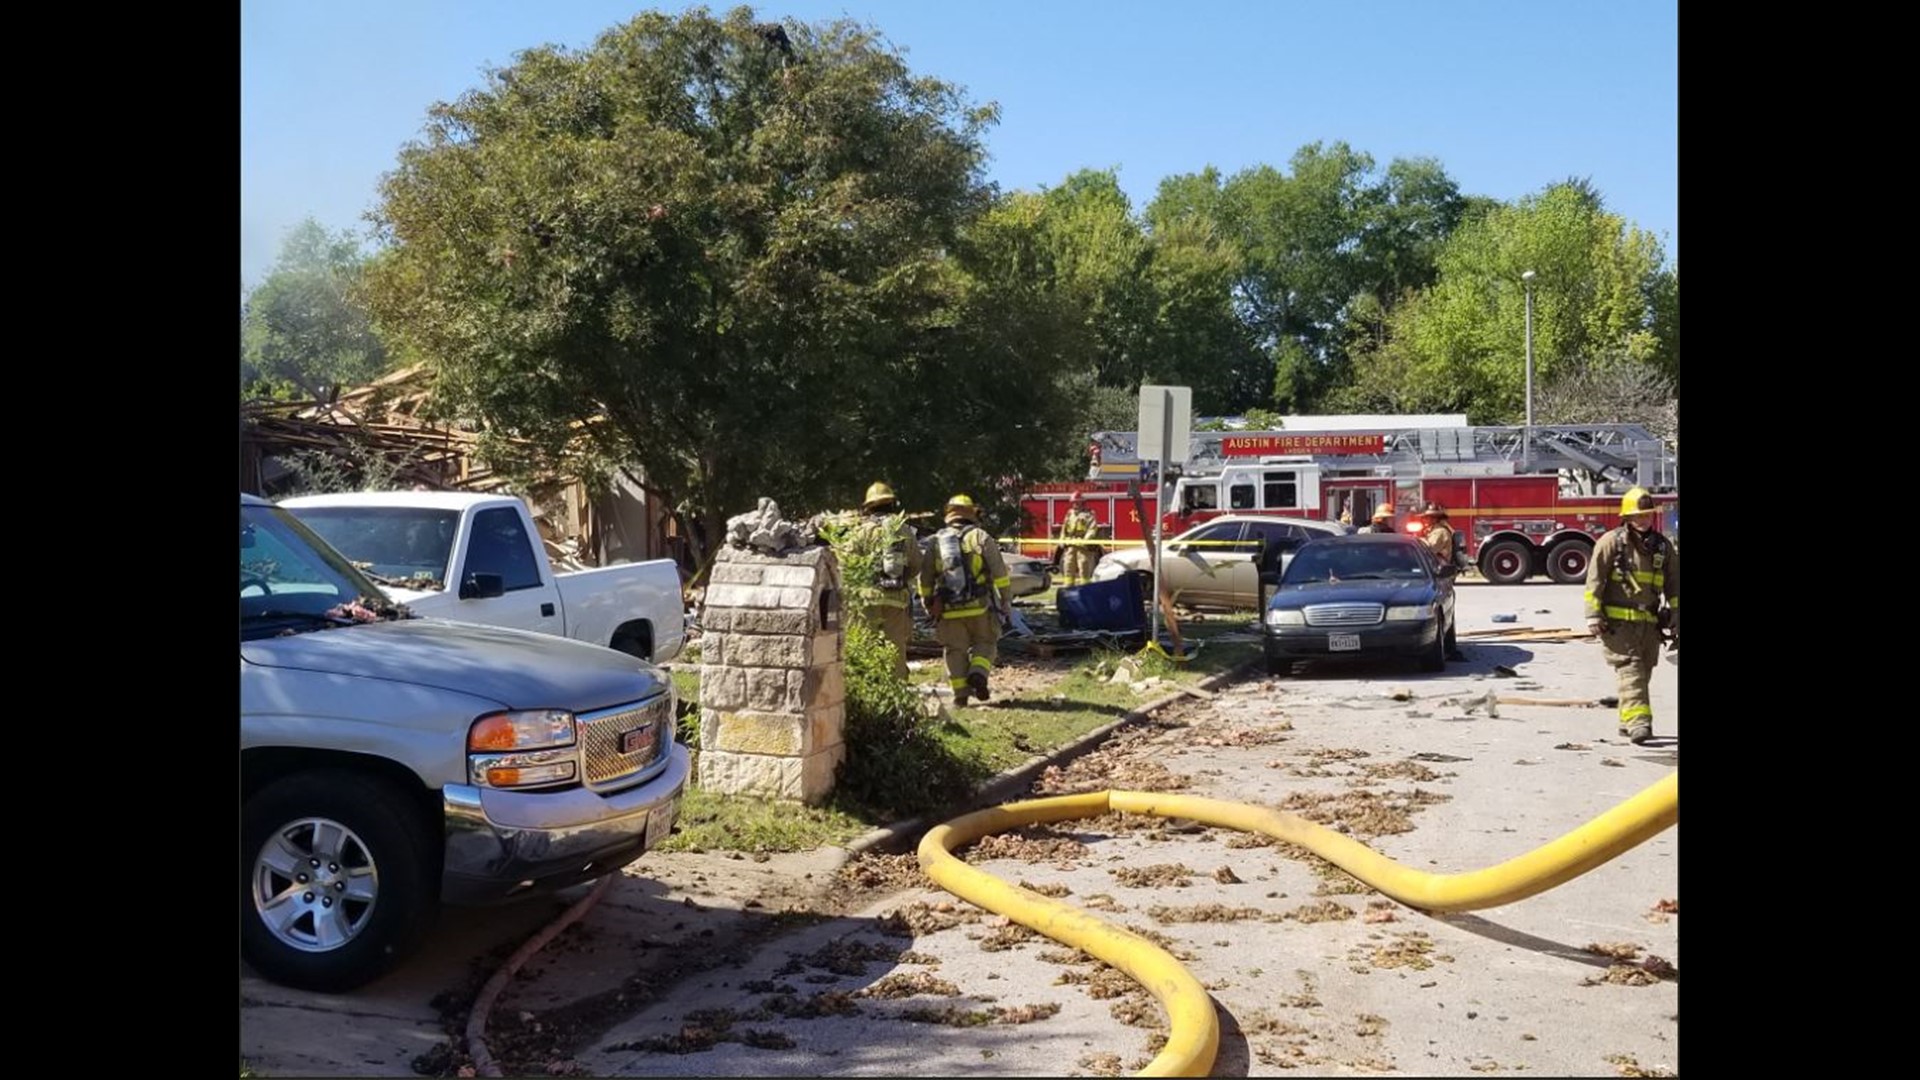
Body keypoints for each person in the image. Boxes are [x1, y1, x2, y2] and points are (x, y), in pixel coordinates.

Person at [1584, 488, 1678, 745]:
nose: (1643, 520)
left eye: (1647, 515)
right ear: (1626, 516)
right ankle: (1640, 724)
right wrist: (1593, 615)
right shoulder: (1610, 543)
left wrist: (1677, 615)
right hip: (1616, 624)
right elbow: (1594, 582)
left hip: (1649, 623)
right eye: (1637, 515)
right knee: (1632, 669)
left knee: (1643, 673)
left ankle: (1627, 721)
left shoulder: (1662, 546)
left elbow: (1674, 584)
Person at [919, 494, 1012, 707]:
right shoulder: (980, 537)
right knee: (986, 642)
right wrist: (1006, 600)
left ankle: (960, 696)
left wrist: (927, 601)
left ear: (948, 515)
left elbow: (925, 577)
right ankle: (978, 672)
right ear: (972, 513)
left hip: (949, 609)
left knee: (955, 650)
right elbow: (999, 572)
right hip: (979, 607)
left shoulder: (935, 542)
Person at [843, 482, 923, 678]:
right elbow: (916, 565)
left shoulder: (861, 532)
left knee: (865, 645)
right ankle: (896, 690)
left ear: (869, 507)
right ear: (892, 504)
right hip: (896, 598)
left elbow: (845, 564)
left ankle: (869, 688)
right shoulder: (903, 531)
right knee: (895, 647)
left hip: (867, 599)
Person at [1057, 493, 1098, 587]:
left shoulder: (1089, 514)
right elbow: (1064, 528)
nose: (1074, 504)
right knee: (1068, 565)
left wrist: (1085, 540)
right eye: (1073, 502)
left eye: (1076, 502)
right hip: (1070, 544)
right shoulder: (1069, 513)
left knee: (1084, 566)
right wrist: (1062, 540)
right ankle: (1068, 586)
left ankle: (1085, 587)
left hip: (1082, 546)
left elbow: (1092, 529)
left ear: (1082, 502)